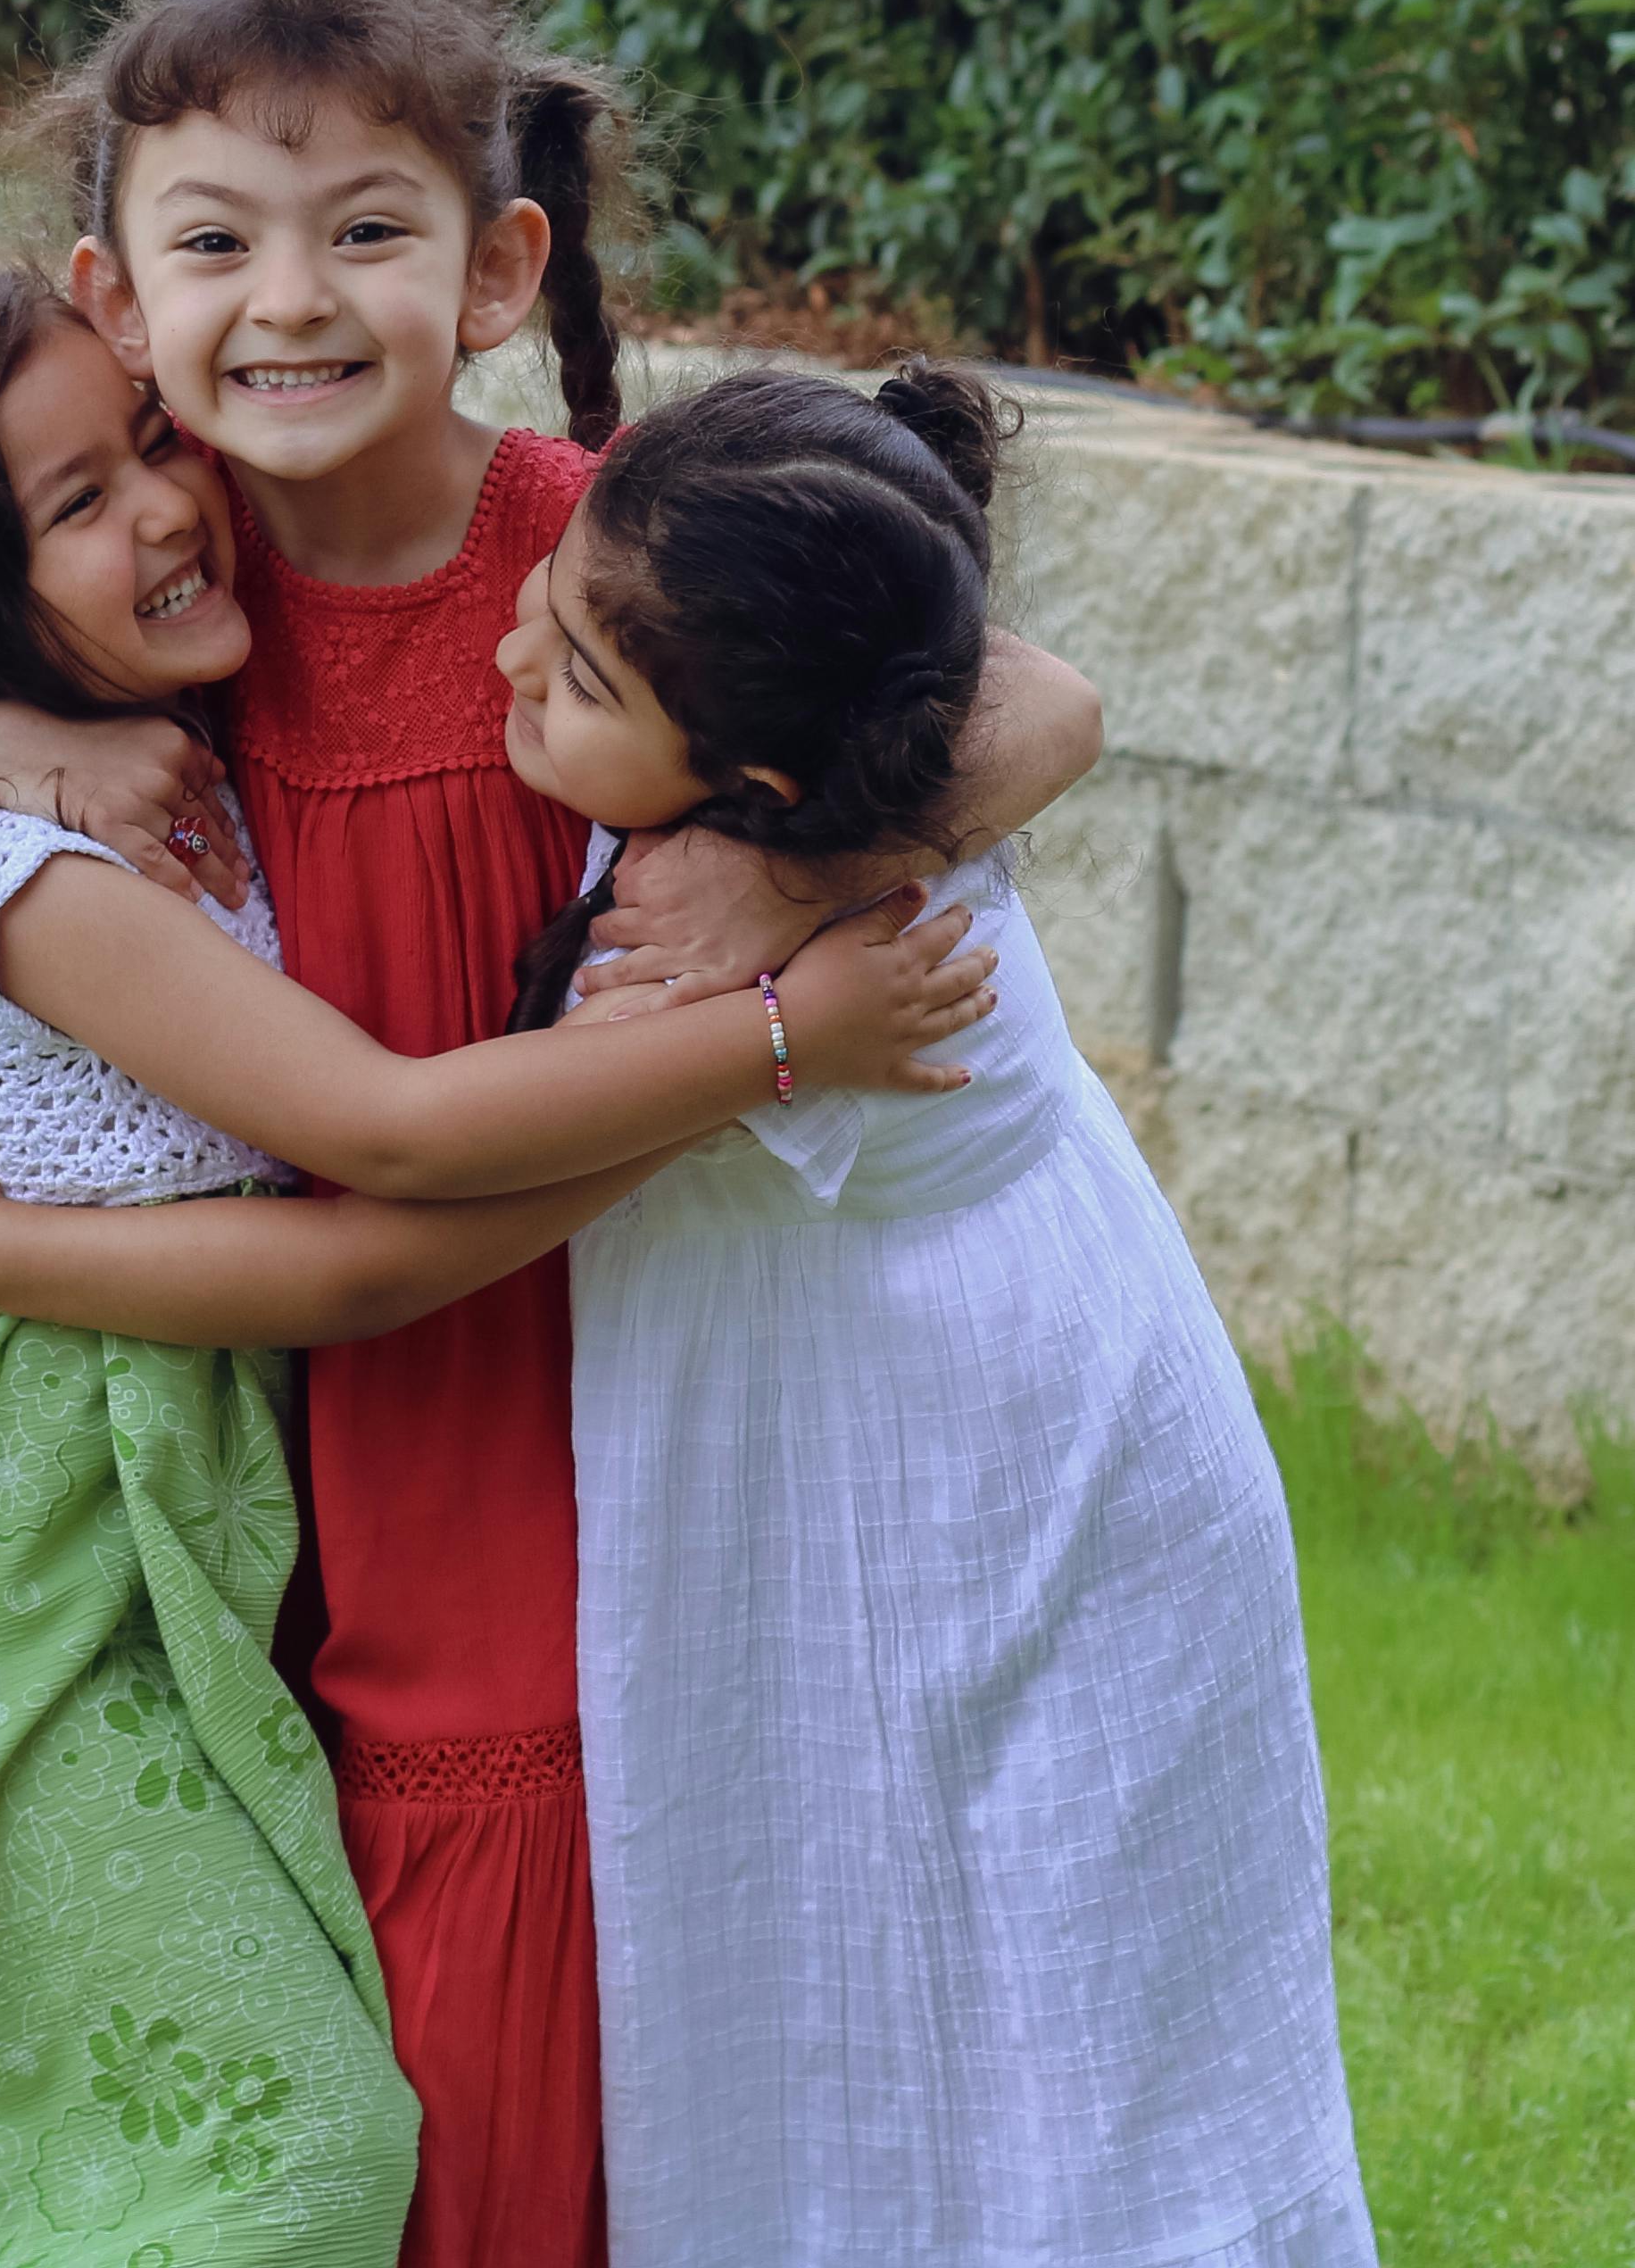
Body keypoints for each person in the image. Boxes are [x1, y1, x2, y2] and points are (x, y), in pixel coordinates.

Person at [0, 0, 1101, 2268]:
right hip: (324, 1387)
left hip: (590, 1356)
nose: (286, 303)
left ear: (494, 270)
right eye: (215, 246)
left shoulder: (593, 547)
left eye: (364, 230)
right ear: (113, 297)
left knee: (580, 1930)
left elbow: (1035, 700)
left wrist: (782, 885)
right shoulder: (143, 611)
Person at [0, 261, 994, 2267]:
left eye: (139, 442)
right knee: (239, 2149)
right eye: (78, 500)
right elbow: (372, 1166)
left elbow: (1033, 691)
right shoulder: (32, 871)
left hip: (153, 1463)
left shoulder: (179, 656)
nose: (165, 498)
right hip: (27, 1520)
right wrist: (775, 1045)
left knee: (107, 2105)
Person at [507, 362, 1376, 2268]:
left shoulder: (724, 901)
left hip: (1045, 1468)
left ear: (761, 771)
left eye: (570, 672)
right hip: (786, 1452)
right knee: (802, 2021)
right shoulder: (730, 636)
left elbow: (1047, 692)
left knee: (1100, 2043)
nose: (513, 655)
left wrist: (786, 896)